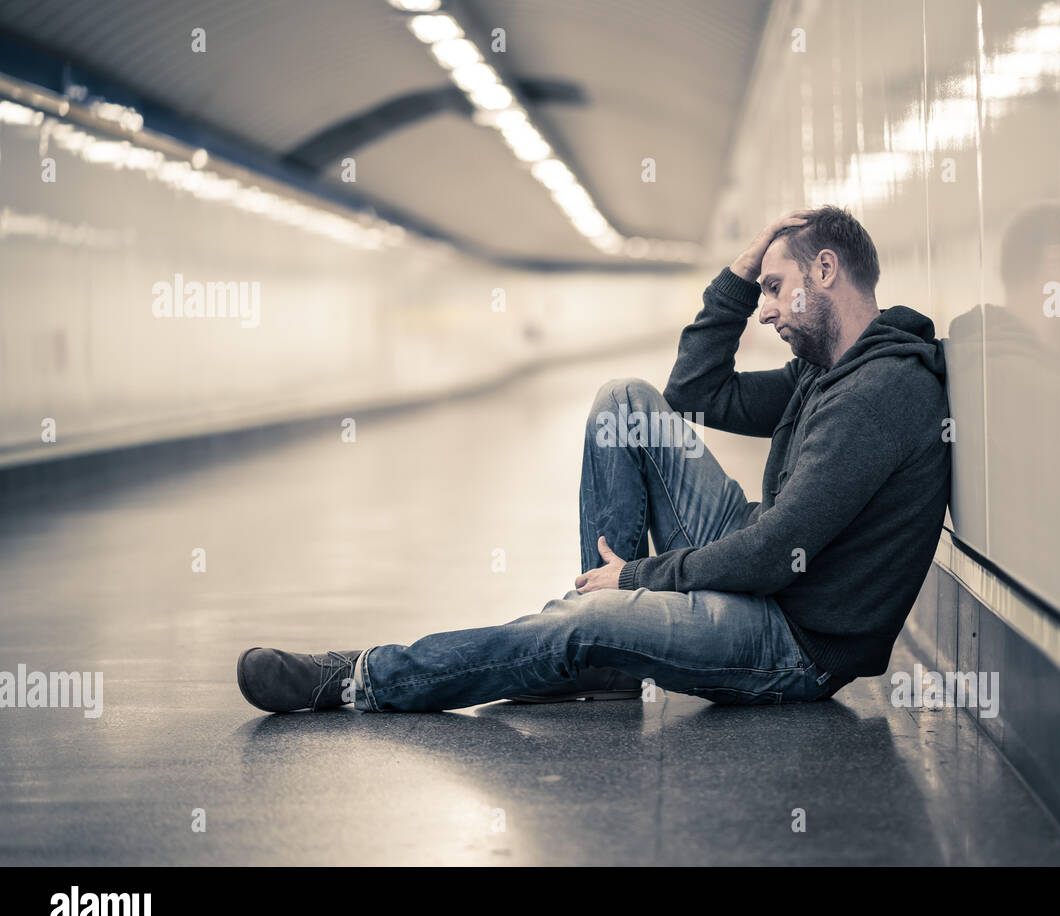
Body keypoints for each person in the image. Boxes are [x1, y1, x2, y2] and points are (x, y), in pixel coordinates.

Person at [236, 206, 952, 713]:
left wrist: (633, 577)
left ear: (825, 270)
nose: (764, 311)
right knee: (625, 402)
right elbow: (695, 393)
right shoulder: (826, 369)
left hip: (794, 643)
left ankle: (362, 678)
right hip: (771, 580)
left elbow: (771, 557)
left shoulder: (879, 396)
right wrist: (737, 274)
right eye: (759, 292)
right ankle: (606, 666)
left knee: (582, 621)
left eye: (771, 288)